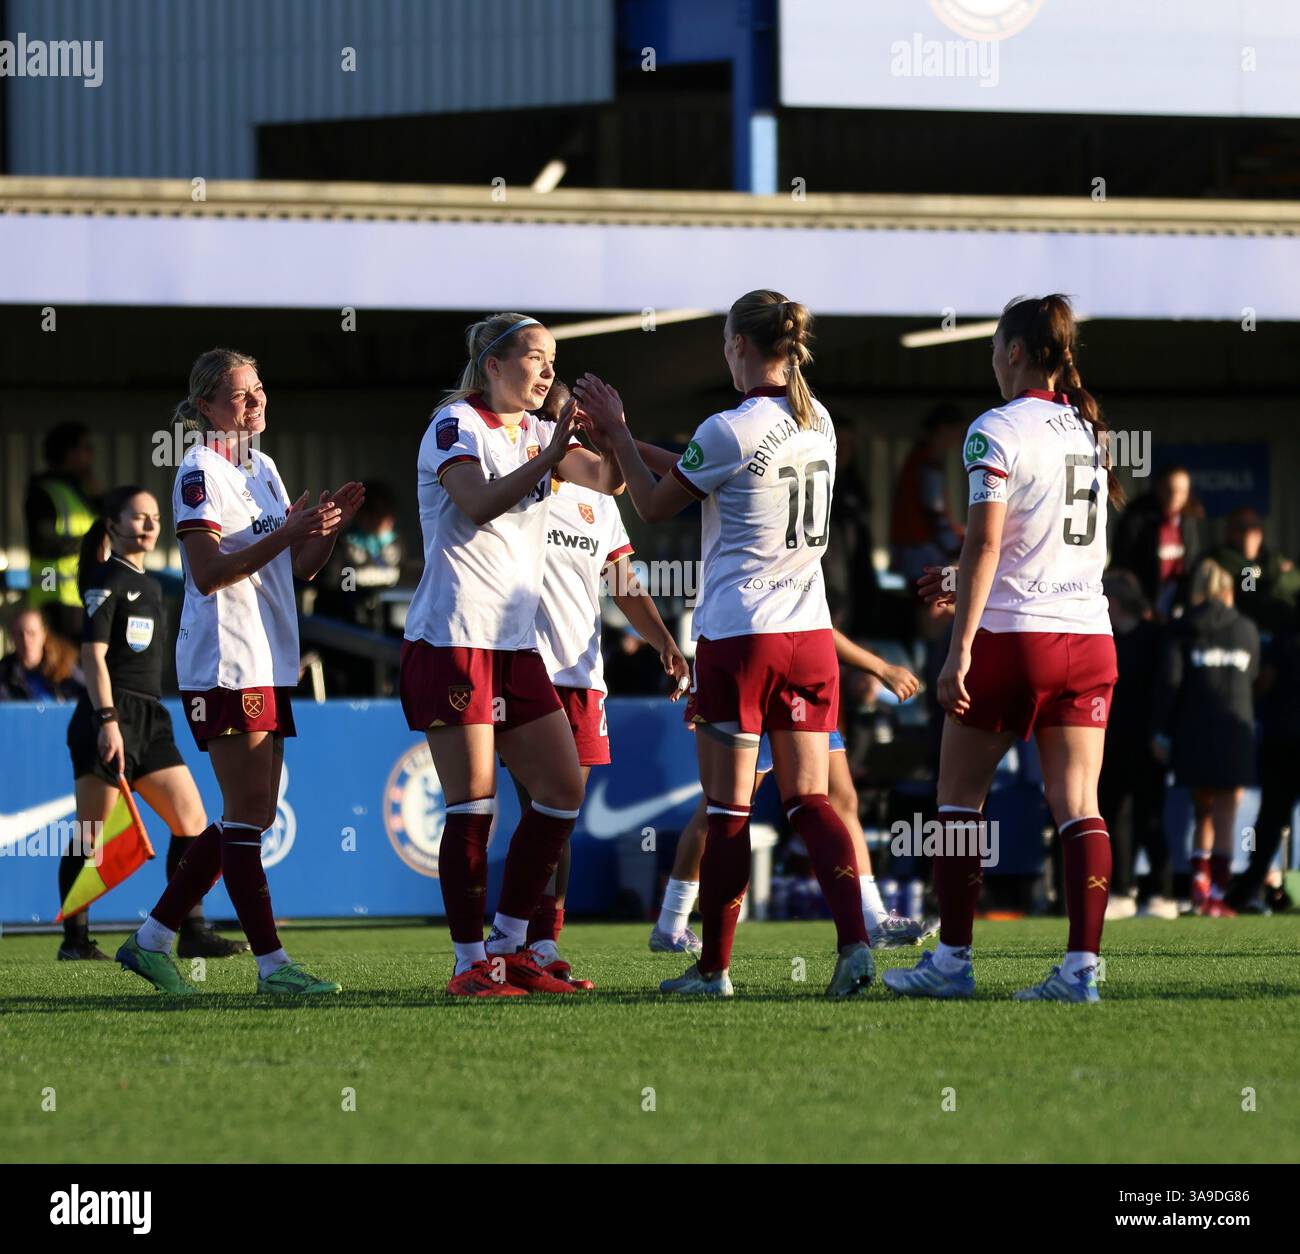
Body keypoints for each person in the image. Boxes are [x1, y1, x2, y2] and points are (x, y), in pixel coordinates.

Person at [577, 289, 876, 998]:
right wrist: (618, 441)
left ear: (739, 345)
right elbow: (697, 468)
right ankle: (856, 948)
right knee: (812, 802)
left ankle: (714, 969)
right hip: (809, 636)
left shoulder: (729, 426)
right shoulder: (819, 419)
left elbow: (652, 502)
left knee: (729, 811)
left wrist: (617, 431)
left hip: (742, 638)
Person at [885, 293, 1121, 1004]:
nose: (991, 359)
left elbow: (989, 540)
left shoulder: (995, 428)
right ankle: (1082, 971)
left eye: (993, 346)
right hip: (1089, 639)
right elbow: (1038, 546)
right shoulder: (1087, 431)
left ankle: (952, 960)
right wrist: (967, 579)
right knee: (1080, 804)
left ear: (1016, 352)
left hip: (1016, 640)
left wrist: (958, 649)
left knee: (958, 798)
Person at [117, 348, 363, 996]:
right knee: (248, 813)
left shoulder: (265, 468)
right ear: (205, 407)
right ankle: (273, 968)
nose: (256, 404)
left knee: (247, 814)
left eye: (259, 390)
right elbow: (206, 572)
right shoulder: (197, 471)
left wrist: (326, 528)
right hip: (227, 658)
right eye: (240, 395)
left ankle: (152, 938)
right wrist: (290, 533)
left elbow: (302, 566)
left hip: (268, 655)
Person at [399, 314, 625, 997]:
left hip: (514, 645)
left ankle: (511, 943)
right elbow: (475, 504)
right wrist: (552, 456)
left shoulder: (536, 431)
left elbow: (611, 481)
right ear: (493, 365)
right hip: (452, 640)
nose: (548, 371)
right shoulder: (456, 423)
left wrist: (611, 429)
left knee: (562, 791)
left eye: (554, 359)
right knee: (474, 805)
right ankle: (470, 964)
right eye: (536, 357)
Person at [515, 379, 690, 986]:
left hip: (583, 675)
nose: (574, 428)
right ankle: (516, 942)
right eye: (563, 416)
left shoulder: (601, 501)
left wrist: (665, 642)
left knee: (560, 817)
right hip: (526, 667)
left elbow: (624, 583)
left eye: (581, 419)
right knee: (537, 808)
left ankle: (541, 943)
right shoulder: (523, 483)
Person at [649, 627, 927, 953]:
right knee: (720, 810)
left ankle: (872, 918)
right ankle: (673, 923)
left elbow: (816, 623)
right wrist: (880, 667)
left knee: (840, 800)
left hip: (799, 676)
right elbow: (790, 621)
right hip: (757, 672)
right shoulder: (739, 584)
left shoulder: (802, 584)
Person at [59, 486, 247, 961]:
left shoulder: (155, 584)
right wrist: (107, 721)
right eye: (137, 517)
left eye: (154, 517)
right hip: (108, 716)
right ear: (113, 525)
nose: (148, 525)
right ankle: (75, 941)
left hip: (152, 719)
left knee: (193, 822)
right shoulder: (106, 579)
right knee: (91, 833)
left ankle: (192, 929)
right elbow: (92, 656)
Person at [1151, 559, 1260, 917]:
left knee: (1204, 813)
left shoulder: (1183, 628)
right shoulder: (1246, 628)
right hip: (1236, 729)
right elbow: (1255, 676)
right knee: (1228, 812)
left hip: (1195, 731)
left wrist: (1162, 732)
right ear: (1229, 591)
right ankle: (1218, 893)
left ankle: (1200, 889)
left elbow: (1169, 682)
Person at [1095, 570, 1175, 919]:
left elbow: (1167, 689)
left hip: (1148, 742)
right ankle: (1122, 890)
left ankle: (1162, 892)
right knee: (1113, 815)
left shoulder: (1155, 637)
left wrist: (1161, 734)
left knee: (1150, 816)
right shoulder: (1104, 638)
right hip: (1110, 739)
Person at [25, 422, 101, 643]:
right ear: (70, 453)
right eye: (86, 448)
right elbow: (44, 544)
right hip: (57, 600)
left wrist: (98, 497)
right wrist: (92, 541)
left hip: (80, 598)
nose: (91, 455)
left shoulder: (78, 491)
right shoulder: (44, 492)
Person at [889, 403, 966, 585]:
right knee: (935, 607)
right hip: (921, 553)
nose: (960, 438)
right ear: (943, 429)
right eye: (958, 431)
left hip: (912, 550)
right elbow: (934, 511)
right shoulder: (927, 463)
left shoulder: (917, 459)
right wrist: (955, 547)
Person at [1112, 464, 1202, 619]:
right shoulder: (1136, 516)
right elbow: (1122, 566)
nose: (1175, 496)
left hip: (1175, 608)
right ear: (1158, 488)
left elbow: (1191, 563)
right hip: (1139, 610)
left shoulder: (1188, 519)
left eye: (1181, 492)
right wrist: (1140, 604)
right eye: (1170, 490)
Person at [1203, 506, 1298, 634]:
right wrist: (1277, 579)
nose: (1249, 533)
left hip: (1287, 625)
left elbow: (1296, 578)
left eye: (1255, 527)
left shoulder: (1271, 557)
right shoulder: (1220, 560)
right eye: (1242, 528)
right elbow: (1249, 595)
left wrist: (1274, 580)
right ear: (1230, 532)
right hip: (1246, 630)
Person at [0, 608, 85, 703]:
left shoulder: (67, 668)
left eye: (32, 633)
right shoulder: (4, 673)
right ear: (12, 637)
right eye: (20, 634)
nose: (26, 641)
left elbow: (89, 694)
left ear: (44, 634)